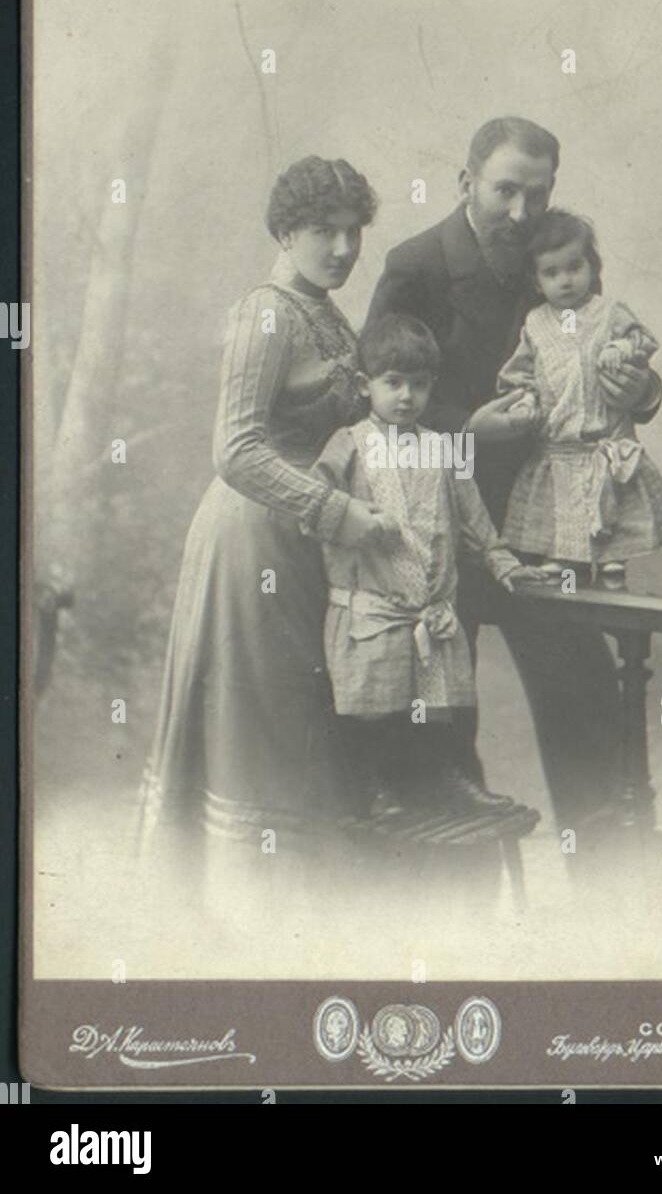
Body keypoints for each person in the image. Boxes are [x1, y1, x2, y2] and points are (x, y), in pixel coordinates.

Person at [364, 117, 662, 844]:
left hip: (546, 517)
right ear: (466, 182)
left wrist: (638, 387)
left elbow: (603, 364)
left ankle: (610, 868)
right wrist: (467, 426)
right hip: (440, 518)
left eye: (536, 193)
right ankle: (459, 890)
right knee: (439, 696)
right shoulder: (417, 265)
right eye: (504, 191)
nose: (520, 214)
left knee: (584, 688)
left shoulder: (554, 257)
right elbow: (367, 390)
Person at [139, 155, 390, 885]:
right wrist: (335, 510)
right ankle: (244, 905)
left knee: (297, 715)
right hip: (253, 536)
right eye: (323, 231)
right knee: (260, 724)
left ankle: (297, 903)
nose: (342, 249)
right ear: (284, 231)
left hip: (303, 538)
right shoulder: (268, 310)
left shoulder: (322, 309)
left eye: (352, 233)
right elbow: (237, 448)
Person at [311, 312, 546, 815]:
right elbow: (314, 504)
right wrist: (347, 517)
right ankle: (373, 788)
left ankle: (442, 778)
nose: (405, 397)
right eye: (392, 383)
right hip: (374, 612)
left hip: (431, 611)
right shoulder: (349, 445)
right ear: (363, 385)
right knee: (375, 706)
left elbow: (473, 518)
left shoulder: (442, 449)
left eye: (418, 385)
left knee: (432, 714)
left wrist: (502, 560)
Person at [498, 208, 662, 589]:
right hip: (558, 444)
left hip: (604, 438)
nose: (565, 280)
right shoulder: (535, 323)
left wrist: (623, 347)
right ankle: (566, 560)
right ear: (536, 279)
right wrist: (525, 399)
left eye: (574, 267)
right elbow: (519, 374)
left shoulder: (609, 312)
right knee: (563, 509)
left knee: (610, 500)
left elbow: (645, 341)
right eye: (552, 273)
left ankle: (613, 558)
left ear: (592, 267)